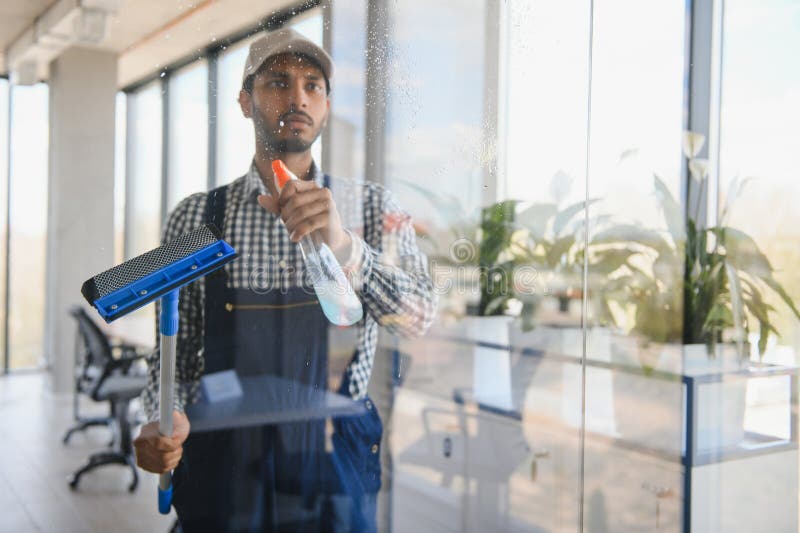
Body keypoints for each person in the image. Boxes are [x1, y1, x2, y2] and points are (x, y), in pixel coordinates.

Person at [133, 28, 436, 532]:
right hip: (222, 465)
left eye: (312, 85)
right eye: (278, 82)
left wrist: (344, 244)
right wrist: (161, 421)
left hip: (334, 460)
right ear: (245, 102)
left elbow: (418, 318)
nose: (298, 97)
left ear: (326, 106)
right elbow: (172, 360)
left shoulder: (371, 207)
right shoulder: (195, 218)